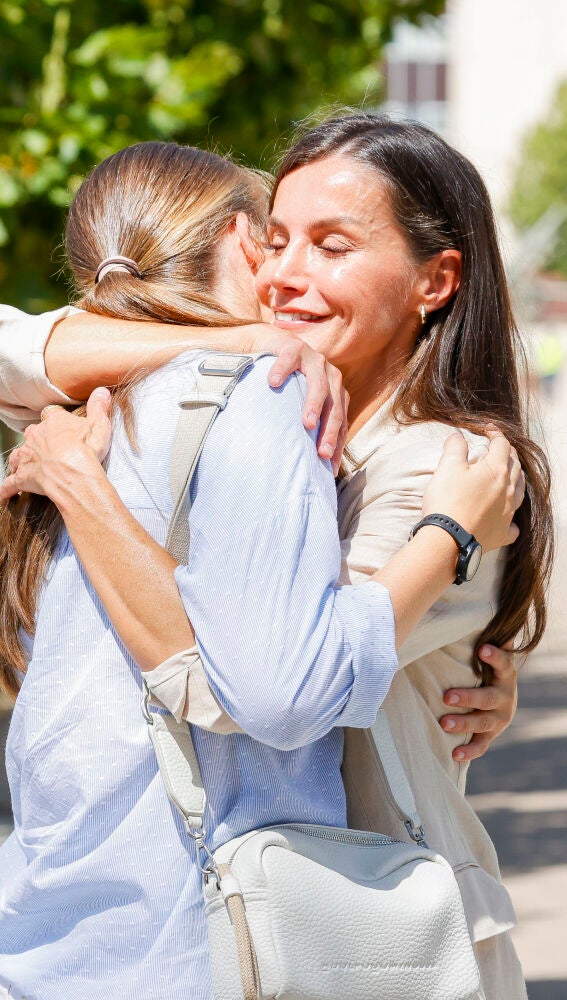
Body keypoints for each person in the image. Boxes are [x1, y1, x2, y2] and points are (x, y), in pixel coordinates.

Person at [0, 139, 523, 1000]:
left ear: (434, 281)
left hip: (376, 935)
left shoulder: (440, 468)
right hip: (269, 915)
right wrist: (241, 341)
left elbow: (270, 680)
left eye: (332, 245)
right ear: (242, 244)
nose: (286, 272)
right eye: (277, 240)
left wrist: (447, 540)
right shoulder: (231, 397)